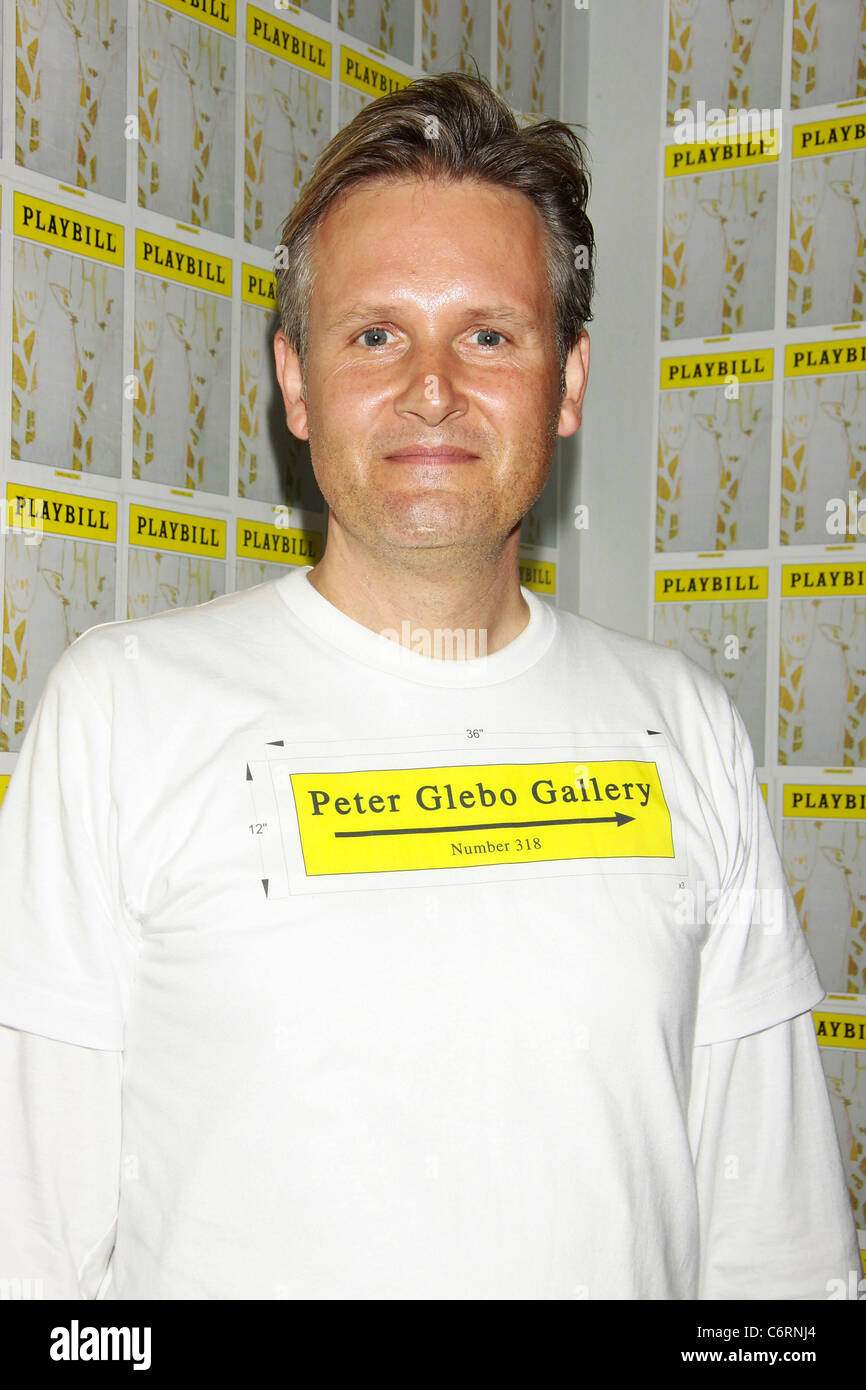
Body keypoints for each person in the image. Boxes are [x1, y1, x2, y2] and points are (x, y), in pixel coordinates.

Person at [0, 72, 859, 1301]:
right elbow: (28, 1252)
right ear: (296, 382)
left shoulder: (684, 730)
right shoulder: (121, 715)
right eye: (376, 333)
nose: (434, 388)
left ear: (565, 382)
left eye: (490, 334)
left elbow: (776, 1248)